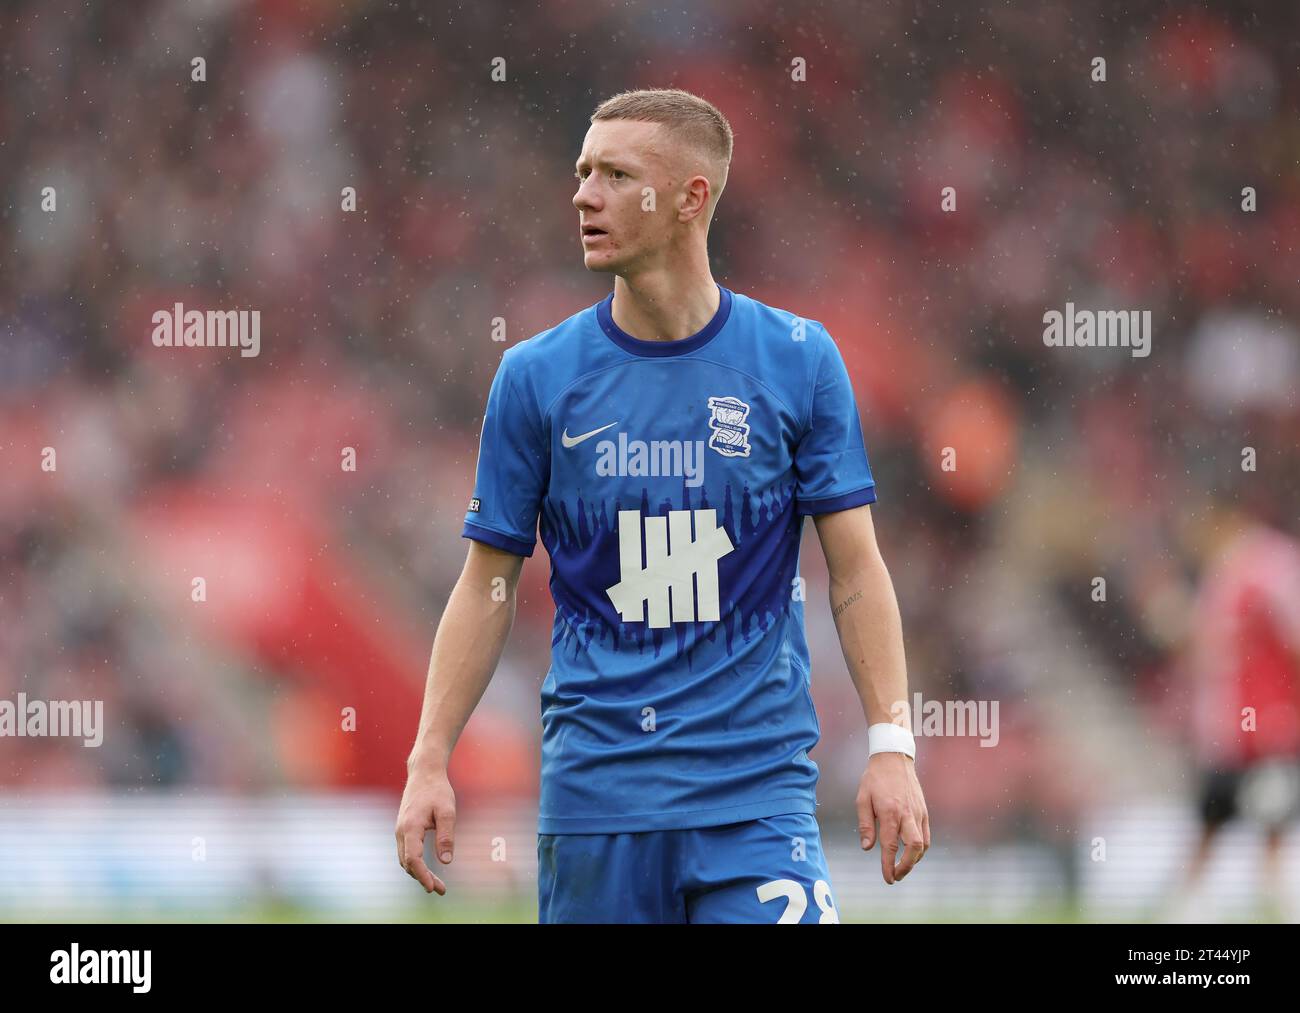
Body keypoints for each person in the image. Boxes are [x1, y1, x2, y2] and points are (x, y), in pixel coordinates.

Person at [396, 88, 928, 923]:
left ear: (691, 198)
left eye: (614, 173)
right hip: (597, 806)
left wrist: (891, 743)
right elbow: (485, 583)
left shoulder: (797, 360)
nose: (583, 193)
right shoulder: (536, 378)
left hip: (756, 799)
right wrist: (430, 756)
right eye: (581, 171)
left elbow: (856, 569)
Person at [1162, 503, 1300, 922]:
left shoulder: (1269, 566)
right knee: (1219, 818)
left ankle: (1278, 902)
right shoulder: (1228, 573)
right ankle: (1193, 905)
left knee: (1269, 819)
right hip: (1234, 732)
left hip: (1269, 727)